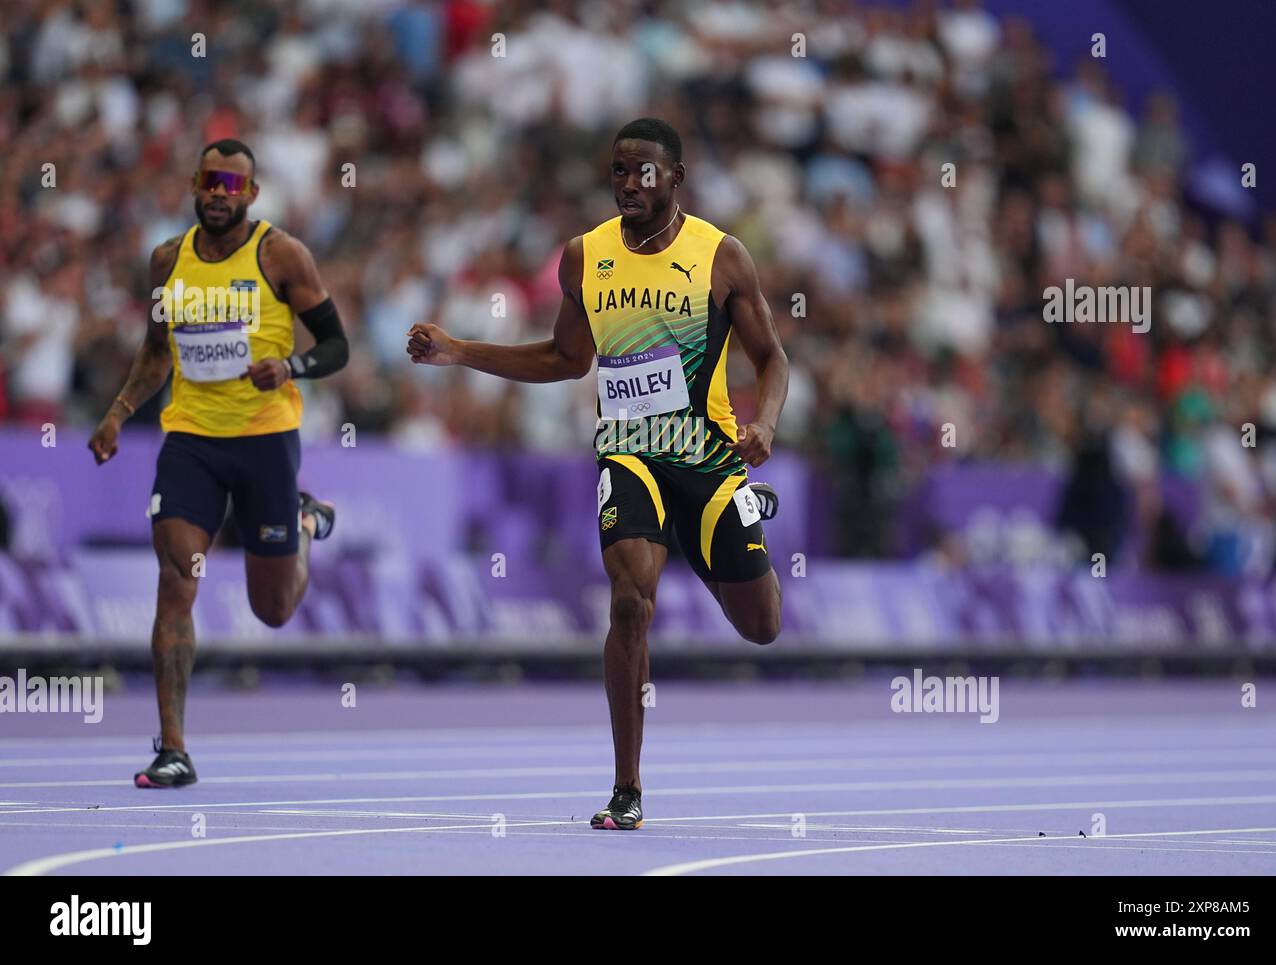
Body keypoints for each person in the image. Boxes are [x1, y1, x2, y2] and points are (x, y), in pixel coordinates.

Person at [407, 118, 788, 830]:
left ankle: (744, 509)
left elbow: (772, 357)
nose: (629, 184)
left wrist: (763, 422)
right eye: (618, 171)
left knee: (762, 625)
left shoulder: (722, 256)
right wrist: (459, 351)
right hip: (629, 454)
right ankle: (627, 787)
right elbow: (565, 359)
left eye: (644, 171)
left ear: (675, 176)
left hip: (707, 459)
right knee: (628, 602)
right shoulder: (585, 256)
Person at [88, 139, 349, 788]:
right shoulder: (166, 261)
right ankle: (173, 746)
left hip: (265, 441)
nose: (218, 192)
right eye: (209, 180)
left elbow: (339, 346)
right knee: (177, 579)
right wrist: (119, 410)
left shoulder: (281, 255)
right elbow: (155, 353)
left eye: (232, 184)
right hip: (192, 441)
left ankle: (306, 522)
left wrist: (289, 365)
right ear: (193, 184)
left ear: (251, 195)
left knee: (274, 609)